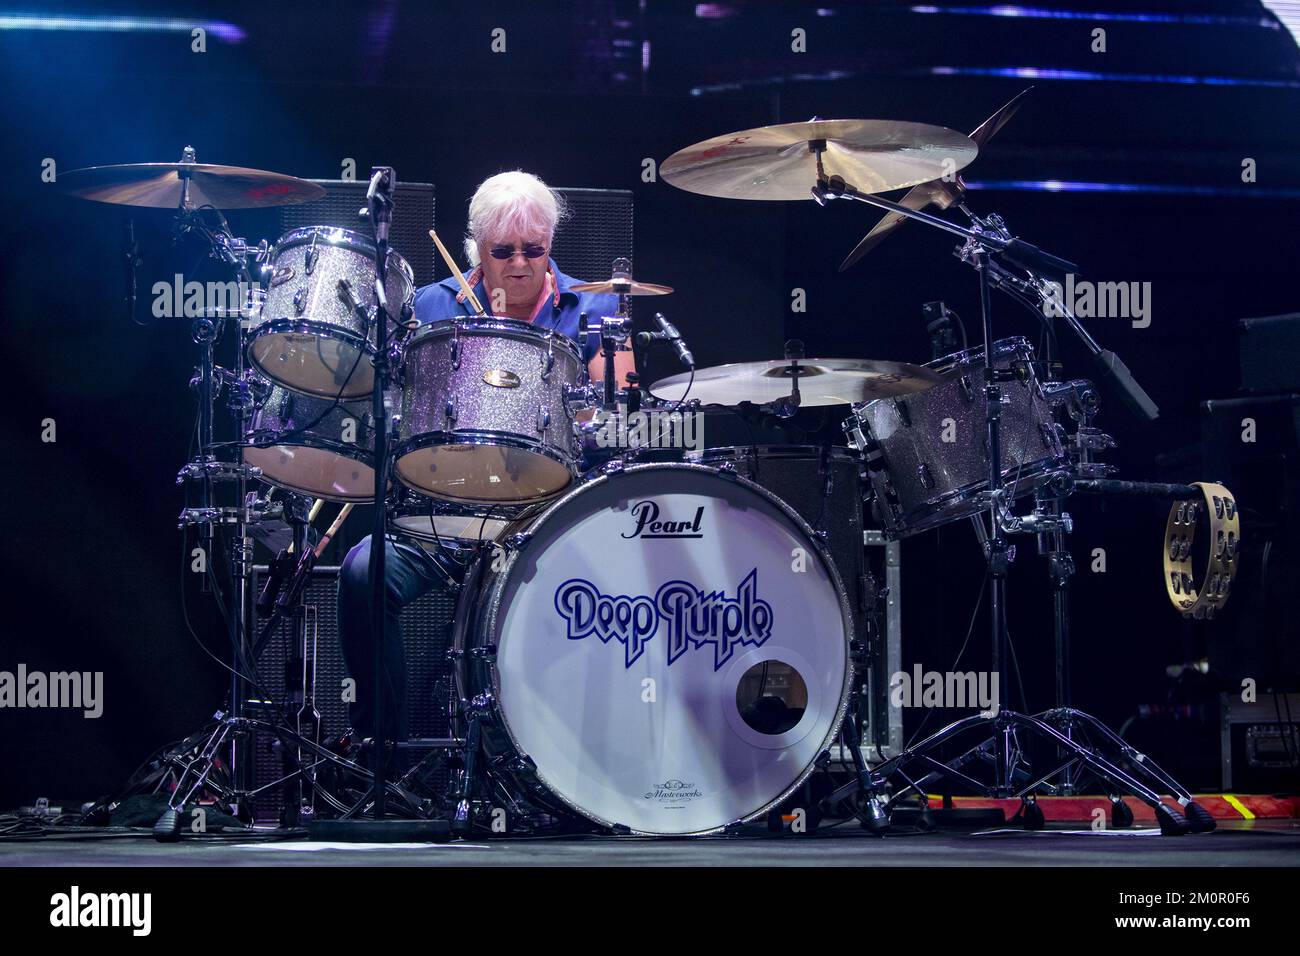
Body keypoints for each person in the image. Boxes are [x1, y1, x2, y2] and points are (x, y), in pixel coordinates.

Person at [336, 170, 633, 746]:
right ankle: (383, 751)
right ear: (477, 248)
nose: (520, 263)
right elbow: (396, 402)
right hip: (443, 518)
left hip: (548, 523)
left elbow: (619, 409)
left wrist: (596, 411)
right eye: (504, 251)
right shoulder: (431, 305)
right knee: (364, 572)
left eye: (534, 250)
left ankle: (565, 761)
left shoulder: (590, 307)